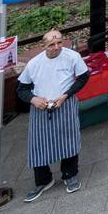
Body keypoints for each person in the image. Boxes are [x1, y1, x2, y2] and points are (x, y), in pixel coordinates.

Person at [17, 29, 89, 202]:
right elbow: (22, 89)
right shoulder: (34, 64)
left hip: (64, 102)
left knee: (68, 140)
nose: (56, 47)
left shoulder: (71, 56)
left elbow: (83, 77)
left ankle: (69, 174)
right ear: (43, 46)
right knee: (38, 145)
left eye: (59, 43)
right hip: (41, 107)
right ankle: (43, 179)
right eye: (51, 44)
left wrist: (66, 95)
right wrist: (34, 99)